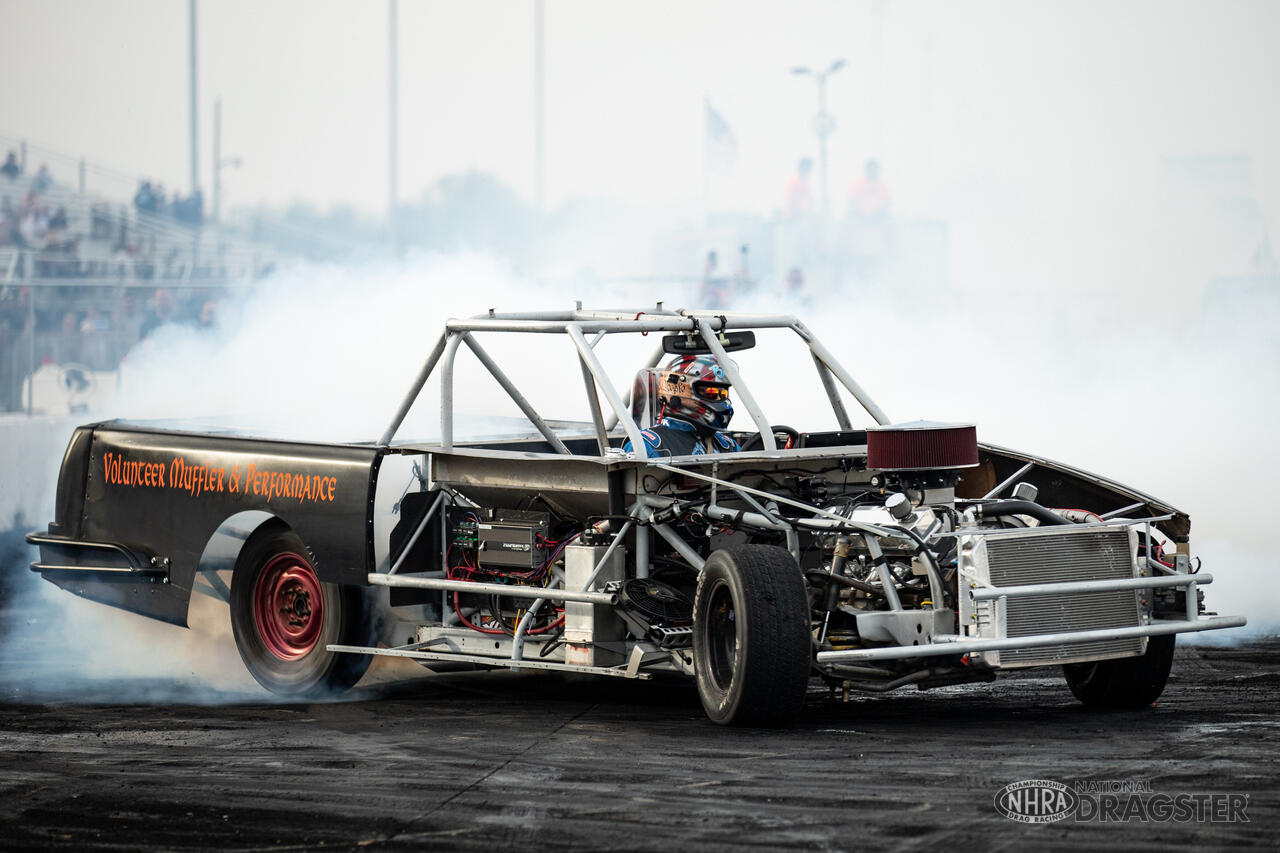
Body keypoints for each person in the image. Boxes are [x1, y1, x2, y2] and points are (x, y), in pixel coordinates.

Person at [623, 355, 740, 456]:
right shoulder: (645, 445)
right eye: (712, 393)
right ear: (679, 390)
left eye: (723, 394)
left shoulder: (728, 446)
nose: (720, 400)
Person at [847, 158, 891, 222]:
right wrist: (859, 212)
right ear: (867, 170)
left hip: (879, 217)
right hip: (859, 216)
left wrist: (879, 211)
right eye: (870, 169)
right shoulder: (858, 184)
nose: (872, 171)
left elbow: (887, 202)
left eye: (874, 169)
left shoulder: (882, 185)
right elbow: (852, 200)